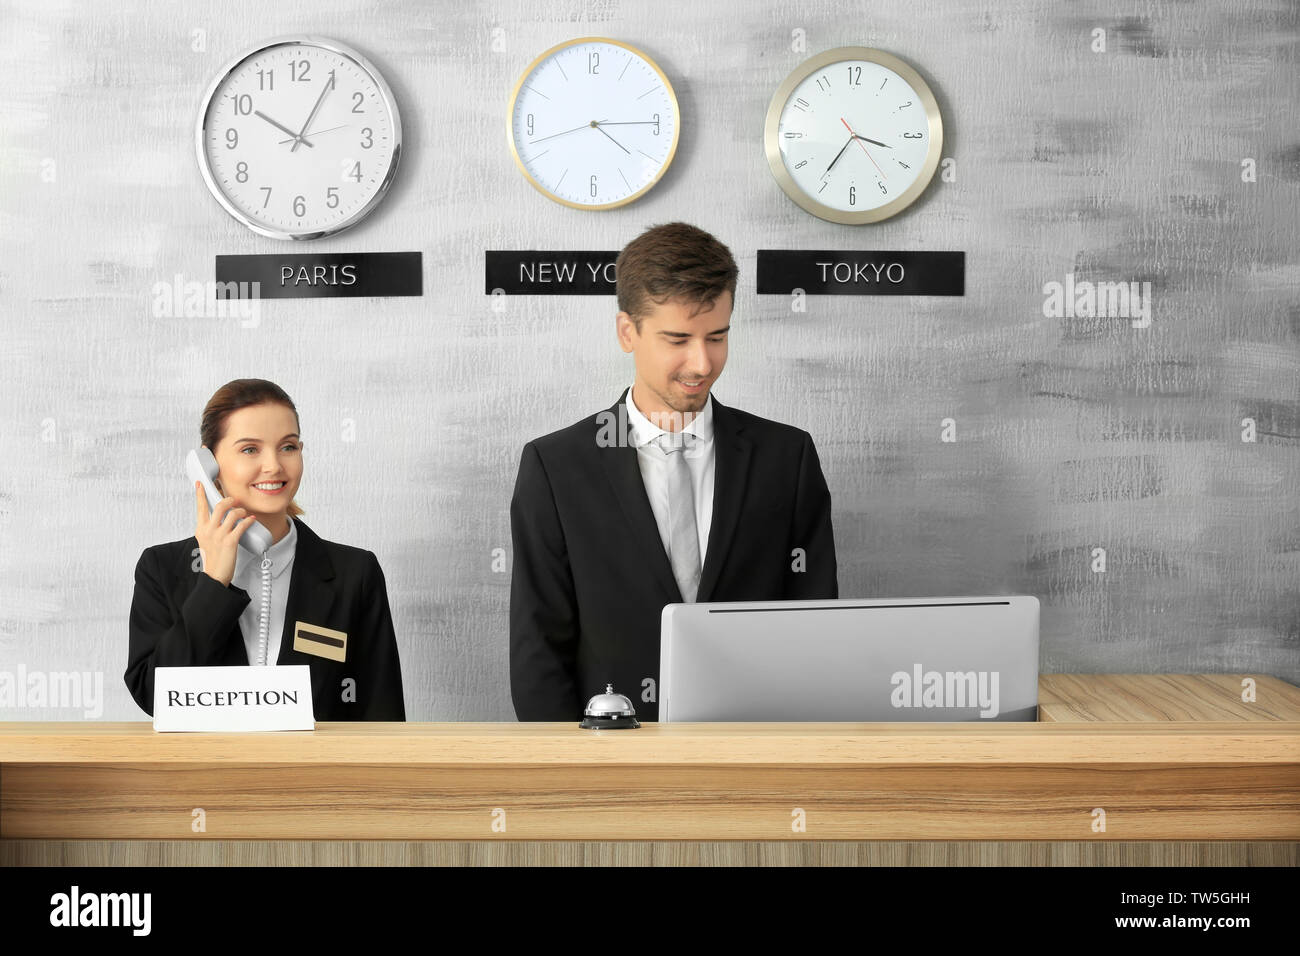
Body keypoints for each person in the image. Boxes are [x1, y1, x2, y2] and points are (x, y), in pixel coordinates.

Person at [510, 222, 838, 721]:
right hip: (609, 764)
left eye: (718, 337)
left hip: (757, 756)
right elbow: (539, 650)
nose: (701, 362)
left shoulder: (787, 458)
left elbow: (815, 630)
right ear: (628, 332)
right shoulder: (556, 467)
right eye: (678, 338)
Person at [125, 378, 406, 721]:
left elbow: (383, 715)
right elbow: (156, 696)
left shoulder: (355, 572)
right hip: (207, 773)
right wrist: (214, 583)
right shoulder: (162, 568)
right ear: (209, 464)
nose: (273, 465)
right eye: (250, 449)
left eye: (288, 447)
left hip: (320, 775)